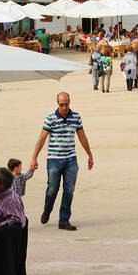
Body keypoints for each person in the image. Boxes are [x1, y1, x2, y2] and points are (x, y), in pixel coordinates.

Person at [30, 91, 94, 231]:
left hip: (71, 159)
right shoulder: (50, 118)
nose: (64, 107)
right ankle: (47, 210)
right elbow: (42, 139)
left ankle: (64, 220)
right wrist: (34, 157)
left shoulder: (76, 117)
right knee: (52, 189)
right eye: (61, 105)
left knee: (69, 190)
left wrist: (89, 154)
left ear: (70, 102)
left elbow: (82, 137)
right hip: (54, 159)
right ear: (57, 104)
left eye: (66, 104)